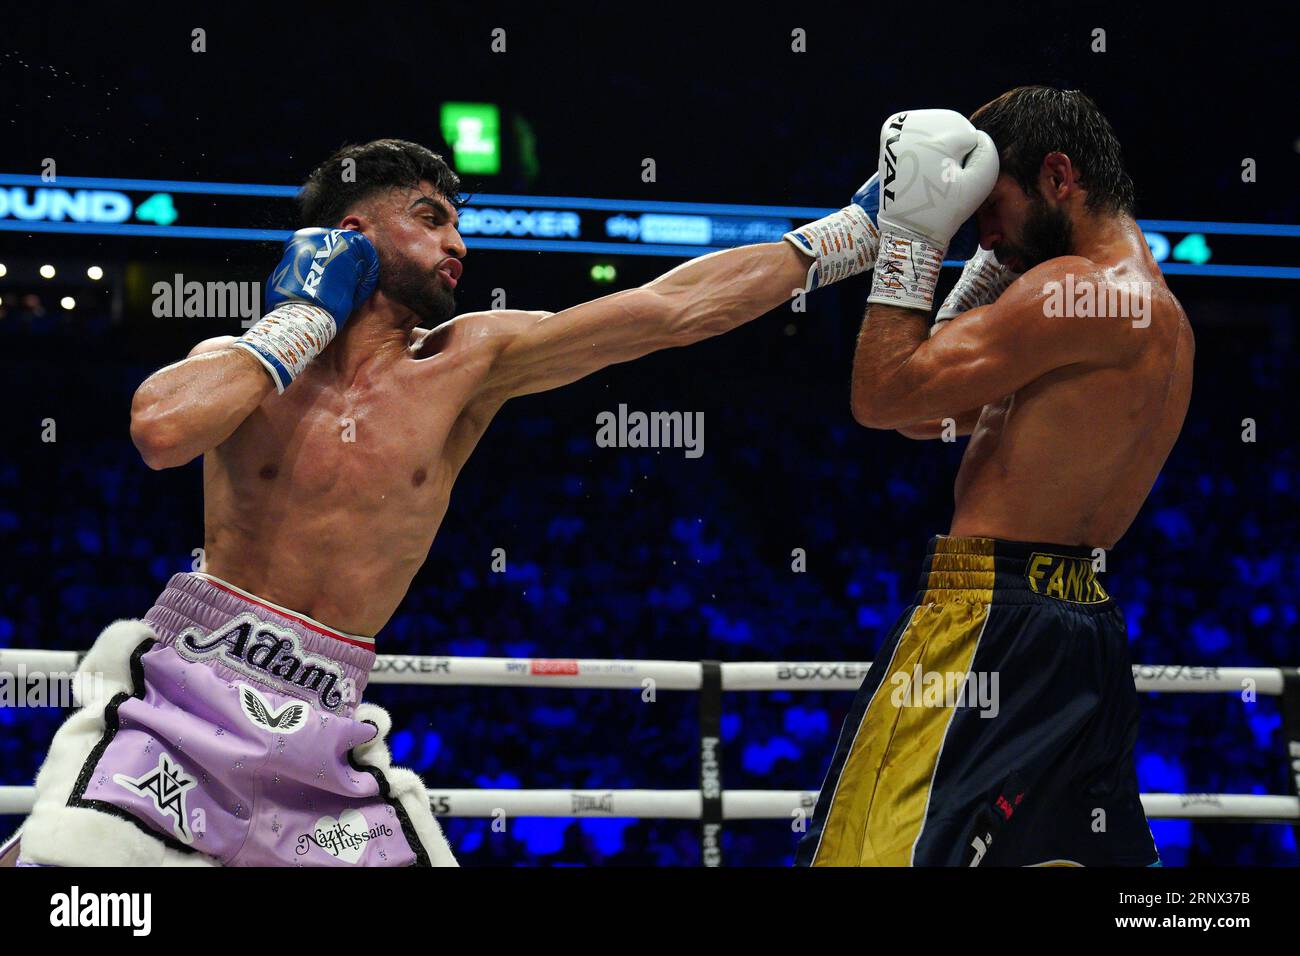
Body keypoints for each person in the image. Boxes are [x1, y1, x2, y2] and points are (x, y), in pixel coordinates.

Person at [9, 137, 890, 867]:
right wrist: (300, 322)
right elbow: (161, 430)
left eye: (458, 223)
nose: (458, 243)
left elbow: (668, 310)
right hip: (184, 694)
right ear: (350, 231)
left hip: (325, 724)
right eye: (431, 218)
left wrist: (851, 234)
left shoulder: (469, 361)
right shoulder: (242, 361)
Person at [796, 88, 1193, 866]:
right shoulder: (1161, 317)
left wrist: (914, 236)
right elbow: (926, 417)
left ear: (1057, 176)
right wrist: (987, 268)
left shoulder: (1068, 290)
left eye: (992, 207)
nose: (980, 228)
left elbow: (882, 397)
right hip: (1084, 630)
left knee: (868, 852)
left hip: (985, 617)